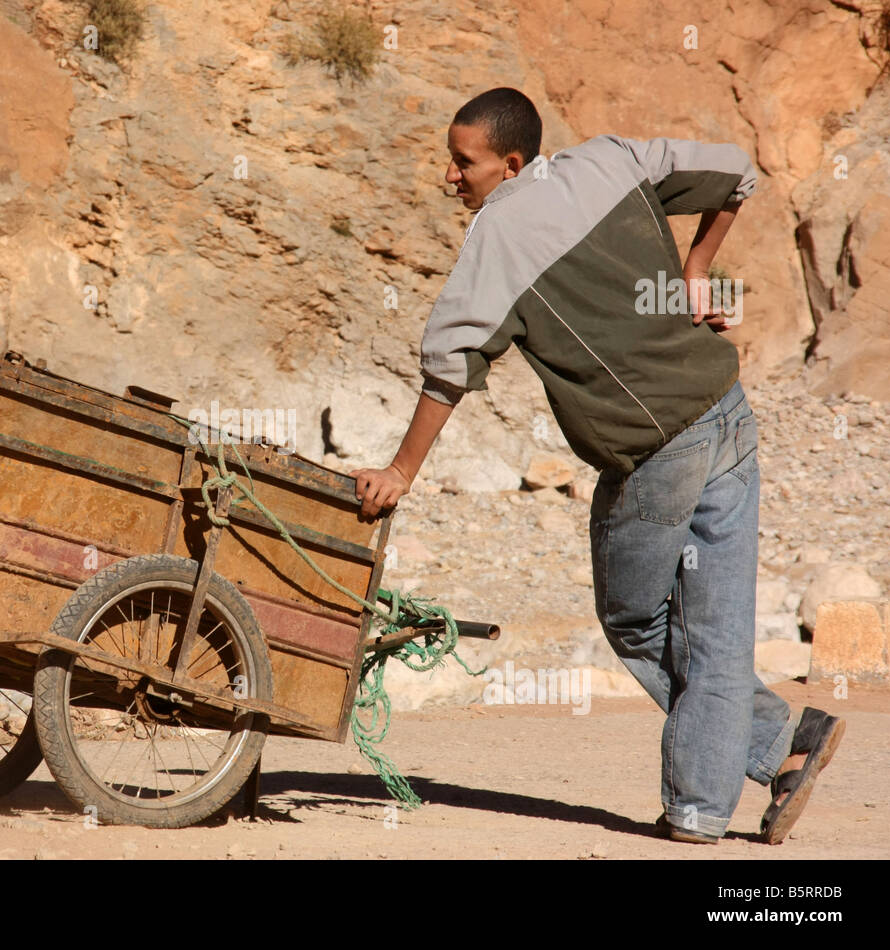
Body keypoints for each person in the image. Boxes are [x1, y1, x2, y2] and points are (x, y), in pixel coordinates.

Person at [349, 87, 844, 844]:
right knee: (716, 630)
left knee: (636, 620)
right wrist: (698, 262)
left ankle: (767, 751)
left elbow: (451, 365)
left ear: (510, 165)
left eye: (464, 163)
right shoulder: (611, 160)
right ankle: (727, 792)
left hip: (658, 452)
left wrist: (402, 472)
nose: (451, 177)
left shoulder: (500, 234)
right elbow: (737, 172)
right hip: (727, 410)